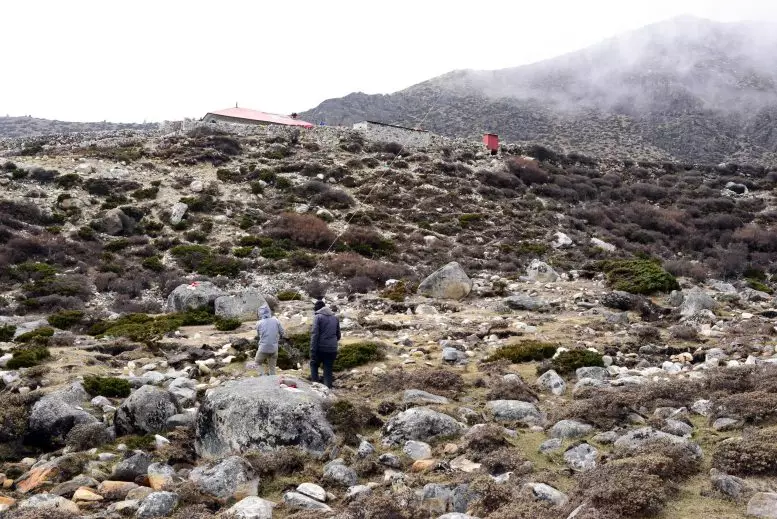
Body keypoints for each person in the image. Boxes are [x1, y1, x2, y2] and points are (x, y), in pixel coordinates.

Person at [310, 299, 340, 388]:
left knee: (314, 364)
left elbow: (315, 335)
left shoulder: (318, 317)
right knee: (328, 370)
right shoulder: (335, 317)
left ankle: (315, 388)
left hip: (320, 348)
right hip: (332, 349)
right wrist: (332, 343)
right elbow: (338, 335)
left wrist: (312, 350)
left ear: (317, 309)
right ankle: (328, 390)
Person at [255, 304, 285, 376]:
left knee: (257, 363)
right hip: (274, 349)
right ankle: (272, 382)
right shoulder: (276, 320)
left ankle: (262, 377)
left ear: (260, 313)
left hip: (263, 348)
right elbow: (282, 332)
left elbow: (258, 335)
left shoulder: (259, 323)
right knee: (272, 368)